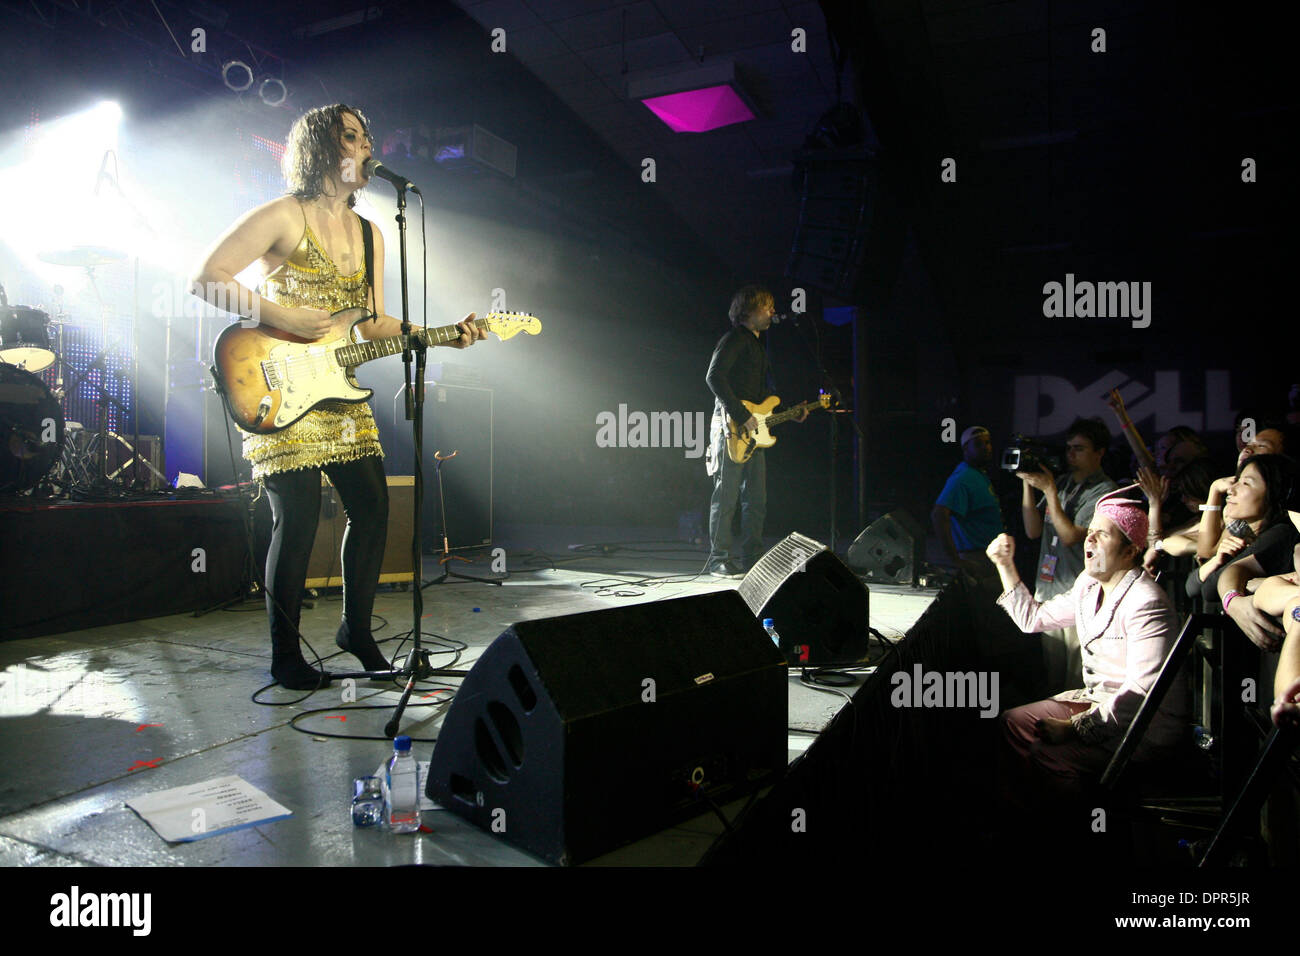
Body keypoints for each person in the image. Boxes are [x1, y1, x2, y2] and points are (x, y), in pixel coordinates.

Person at [191, 104, 483, 689]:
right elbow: (207, 277)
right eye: (350, 135)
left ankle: (357, 630)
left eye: (366, 135)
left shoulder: (373, 232)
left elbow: (369, 324)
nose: (364, 145)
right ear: (321, 148)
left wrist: (444, 334)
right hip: (276, 376)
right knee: (295, 518)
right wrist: (285, 316)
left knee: (374, 508)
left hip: (339, 389)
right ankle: (285, 655)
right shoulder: (282, 214)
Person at [987, 489, 1188, 804]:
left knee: (1047, 755)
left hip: (1144, 726)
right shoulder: (1088, 584)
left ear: (1130, 551)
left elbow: (1140, 692)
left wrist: (1073, 728)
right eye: (1089, 532)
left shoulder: (1145, 602)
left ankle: (1077, 834)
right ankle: (1020, 819)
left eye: (1102, 535)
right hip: (1100, 703)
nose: (1089, 541)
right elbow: (1032, 619)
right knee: (1012, 723)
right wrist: (1004, 564)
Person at [704, 284, 805, 576]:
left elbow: (761, 397)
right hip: (730, 426)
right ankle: (718, 558)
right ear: (748, 311)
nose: (773, 311)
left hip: (752, 429)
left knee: (756, 499)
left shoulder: (758, 346)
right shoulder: (734, 338)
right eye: (767, 306)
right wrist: (741, 414)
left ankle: (751, 557)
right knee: (726, 496)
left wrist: (789, 412)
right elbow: (714, 377)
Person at [1018, 417, 1118, 690]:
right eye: (1069, 448)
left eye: (1079, 448)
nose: (1071, 453)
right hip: (1049, 588)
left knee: (1076, 676)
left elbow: (1071, 536)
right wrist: (1027, 483)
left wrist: (1049, 490)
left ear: (1099, 452)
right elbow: (1032, 530)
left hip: (1079, 592)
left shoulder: (1104, 491)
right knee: (1053, 672)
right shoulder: (1061, 483)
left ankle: (1078, 729)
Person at [932, 425, 1004, 576]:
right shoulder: (963, 477)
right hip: (975, 558)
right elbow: (939, 514)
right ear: (965, 449)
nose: (986, 447)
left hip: (988, 556)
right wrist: (955, 560)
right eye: (978, 444)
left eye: (987, 442)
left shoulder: (979, 475)